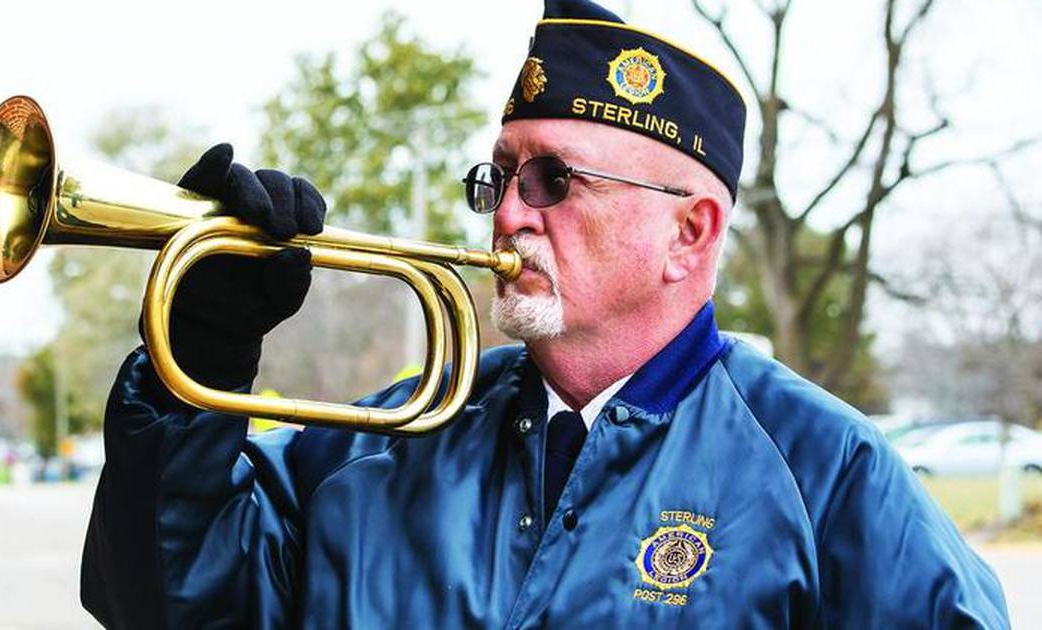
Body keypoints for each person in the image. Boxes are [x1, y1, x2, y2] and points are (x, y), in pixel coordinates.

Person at [80, 0, 1009, 627]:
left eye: (554, 179)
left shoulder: (825, 470)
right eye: (503, 176)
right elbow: (163, 599)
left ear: (690, 233)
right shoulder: (388, 441)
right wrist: (195, 365)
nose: (510, 211)